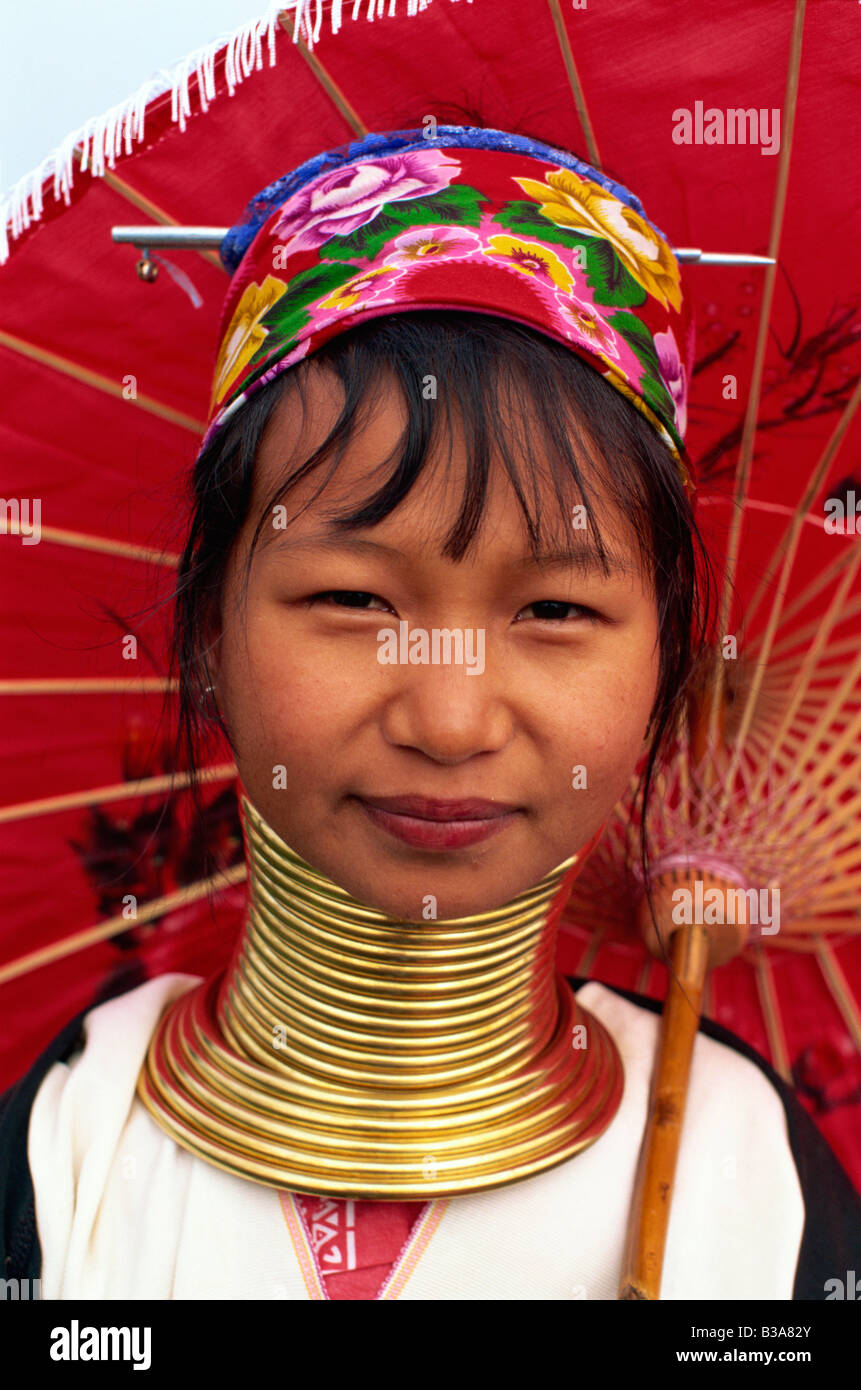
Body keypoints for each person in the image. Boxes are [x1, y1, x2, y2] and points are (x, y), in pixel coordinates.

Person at [1, 125, 859, 1301]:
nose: (452, 719)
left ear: (663, 663)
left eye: (556, 608)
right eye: (352, 596)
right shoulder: (65, 1148)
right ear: (207, 638)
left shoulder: (747, 1177)